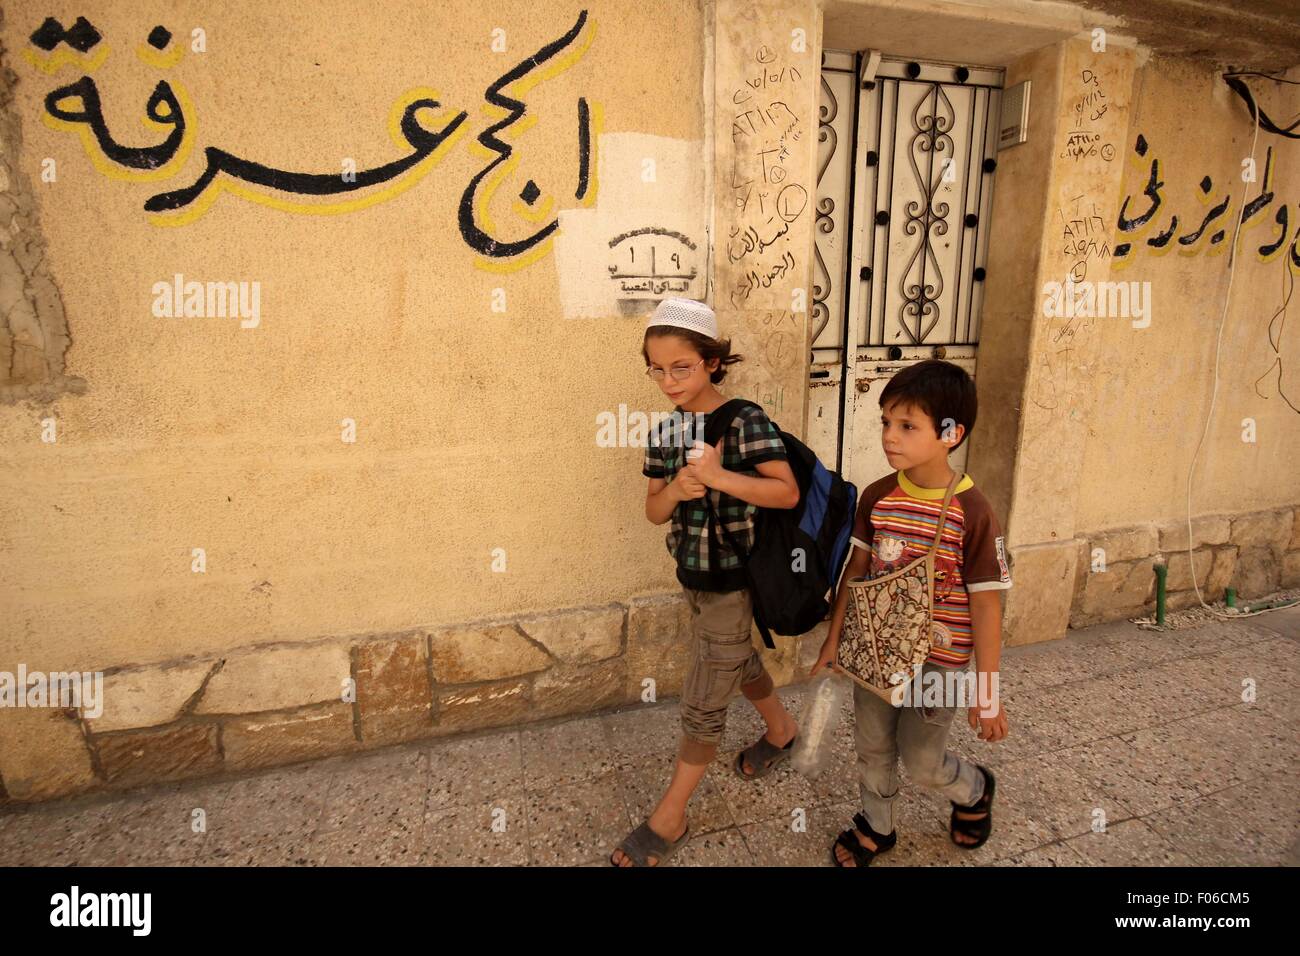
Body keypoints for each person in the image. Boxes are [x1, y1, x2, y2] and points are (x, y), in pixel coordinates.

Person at [610, 298, 800, 867]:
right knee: (734, 659)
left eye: (681, 368)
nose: (668, 381)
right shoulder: (665, 431)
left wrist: (718, 476)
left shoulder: (744, 420)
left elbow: (785, 491)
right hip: (692, 577)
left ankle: (671, 817)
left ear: (712, 362)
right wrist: (676, 491)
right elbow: (653, 511)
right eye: (657, 369)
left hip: (734, 583)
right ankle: (783, 729)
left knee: (703, 699)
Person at [811, 359, 1013, 866]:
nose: (890, 437)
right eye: (885, 423)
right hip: (875, 653)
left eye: (907, 426)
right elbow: (855, 574)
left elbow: (987, 606)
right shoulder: (879, 496)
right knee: (873, 748)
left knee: (923, 762)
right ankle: (877, 828)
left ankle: (972, 788)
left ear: (951, 433)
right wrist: (834, 640)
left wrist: (986, 693)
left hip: (939, 665)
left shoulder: (975, 513)